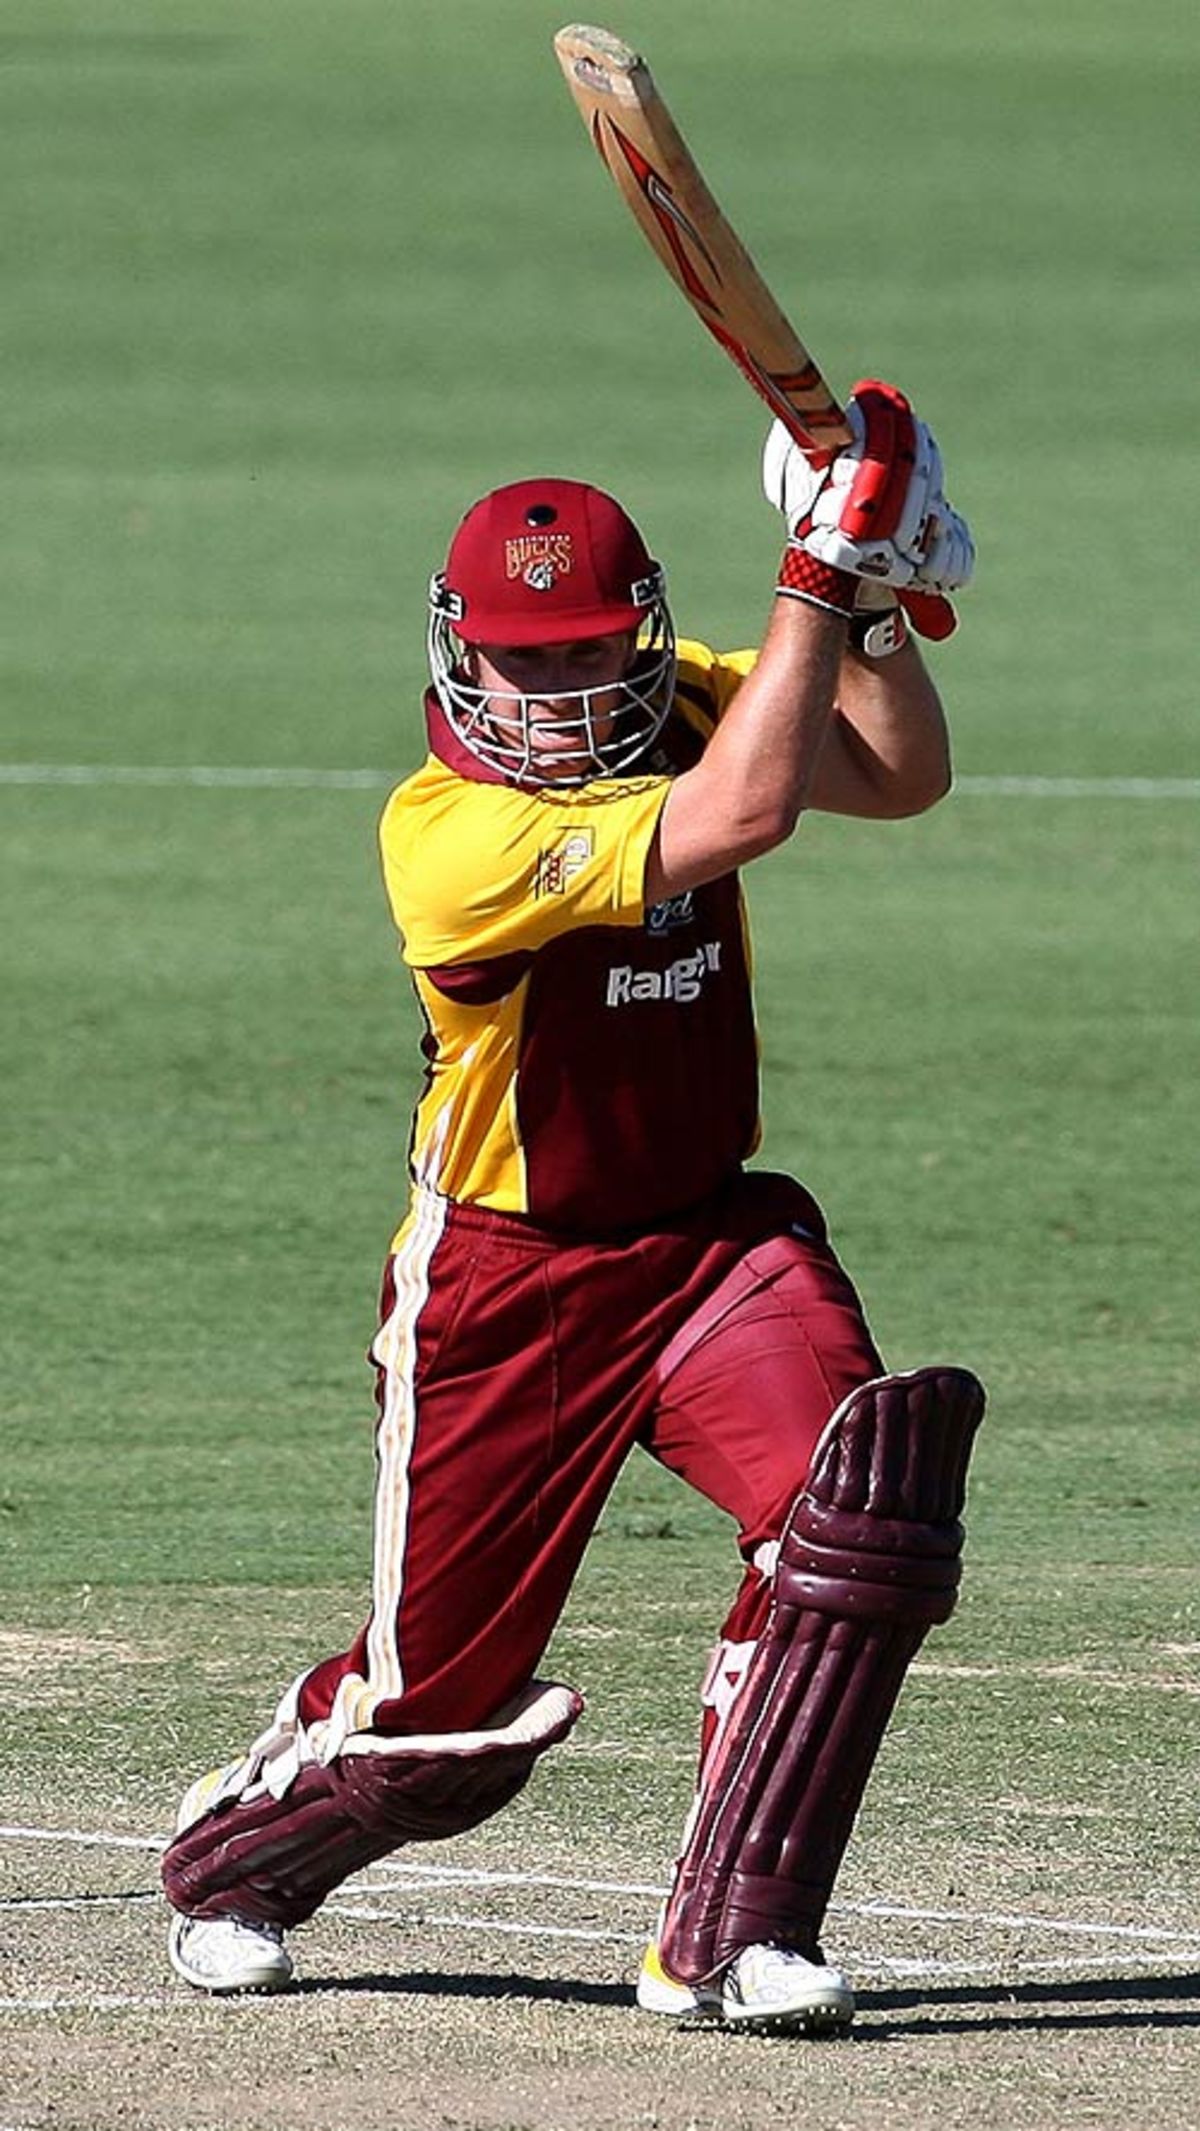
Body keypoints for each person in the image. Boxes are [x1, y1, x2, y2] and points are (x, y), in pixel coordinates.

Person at [161, 380, 985, 2033]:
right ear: (461, 652)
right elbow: (746, 813)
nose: (560, 687)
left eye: (594, 649)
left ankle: (734, 1936)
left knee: (861, 1523)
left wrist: (880, 595)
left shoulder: (679, 700)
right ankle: (238, 1854)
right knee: (442, 1745)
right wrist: (820, 571)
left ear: (646, 631)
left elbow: (895, 781)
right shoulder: (446, 836)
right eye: (526, 660)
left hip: (707, 1242)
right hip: (505, 1287)